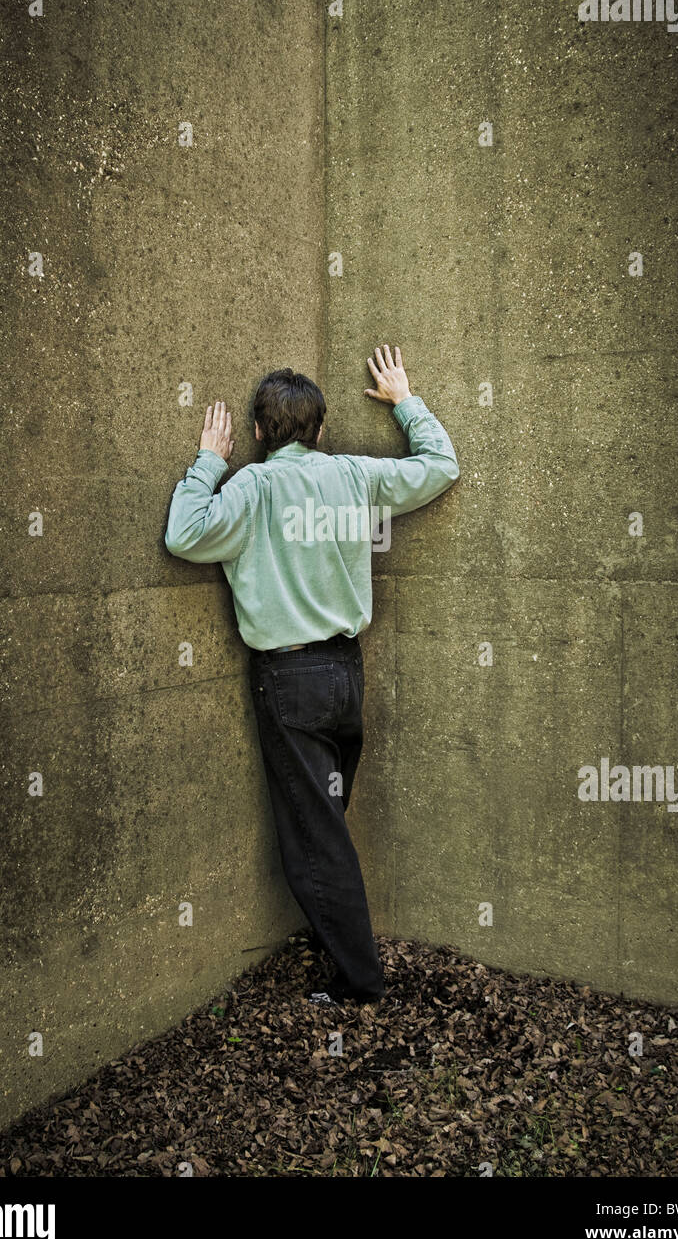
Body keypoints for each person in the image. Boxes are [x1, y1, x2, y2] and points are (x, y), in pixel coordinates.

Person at [164, 345, 459, 1006]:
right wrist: (405, 400)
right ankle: (345, 953)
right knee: (326, 823)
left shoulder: (252, 486)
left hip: (290, 682)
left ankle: (360, 987)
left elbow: (184, 536)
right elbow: (442, 466)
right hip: (346, 678)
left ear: (260, 433)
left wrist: (210, 458)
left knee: (314, 841)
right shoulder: (352, 475)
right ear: (321, 431)